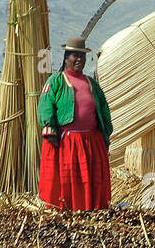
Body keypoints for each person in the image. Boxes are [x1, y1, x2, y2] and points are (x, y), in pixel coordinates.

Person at [37, 36, 113, 210]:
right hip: (67, 142)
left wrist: (105, 133)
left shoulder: (91, 84)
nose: (79, 60)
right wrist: (50, 132)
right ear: (66, 58)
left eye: (82, 56)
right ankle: (67, 208)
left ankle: (90, 208)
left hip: (91, 142)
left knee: (89, 179)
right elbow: (45, 106)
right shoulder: (56, 82)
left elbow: (103, 108)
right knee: (66, 180)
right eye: (75, 56)